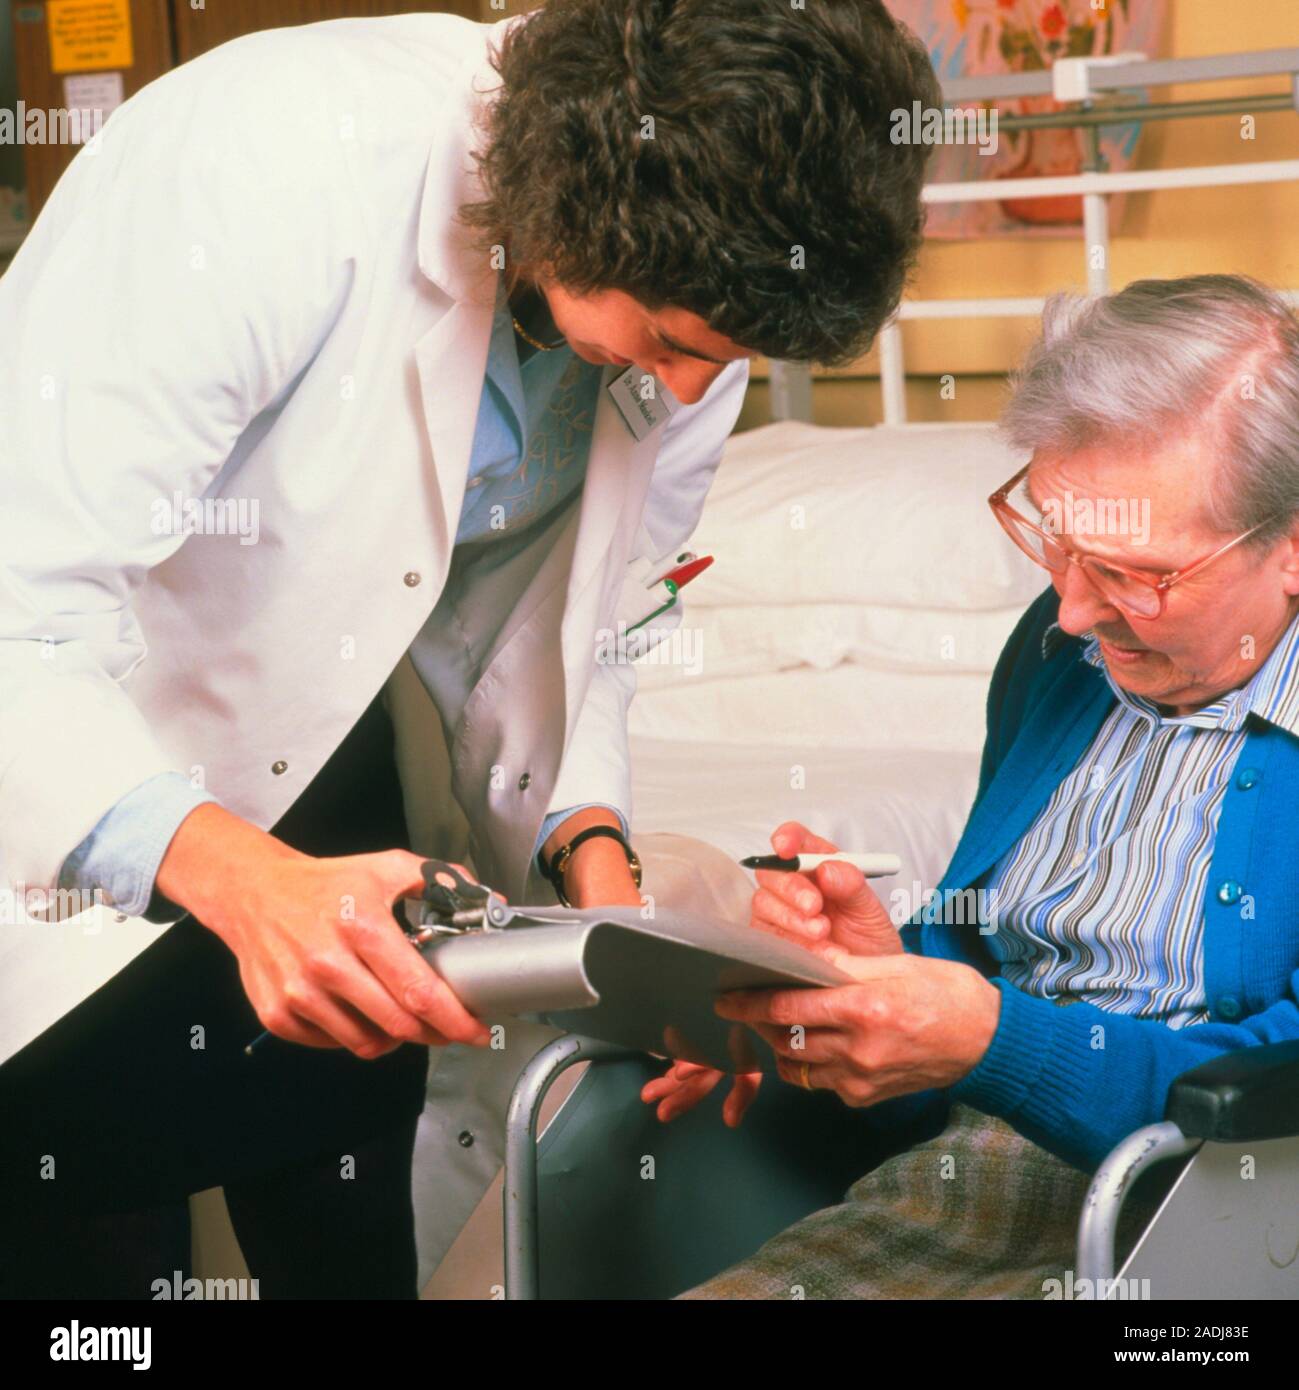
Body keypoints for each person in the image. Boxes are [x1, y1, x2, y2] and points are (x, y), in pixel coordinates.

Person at [0, 1, 939, 1297]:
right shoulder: (265, 161)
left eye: (714, 362)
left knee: (343, 1227)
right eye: (670, 344)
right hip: (65, 811)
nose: (680, 389)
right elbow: (14, 603)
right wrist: (247, 885)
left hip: (325, 767)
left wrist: (594, 858)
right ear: (585, 210)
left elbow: (582, 612)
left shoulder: (698, 295)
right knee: (96, 1274)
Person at [648, 274, 1299, 1298]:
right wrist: (855, 985)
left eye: (1133, 573)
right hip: (951, 1194)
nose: (1073, 613)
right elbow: (957, 1011)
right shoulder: (1052, 663)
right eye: (1055, 541)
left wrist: (991, 1039)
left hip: (1216, 1226)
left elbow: (1271, 1088)